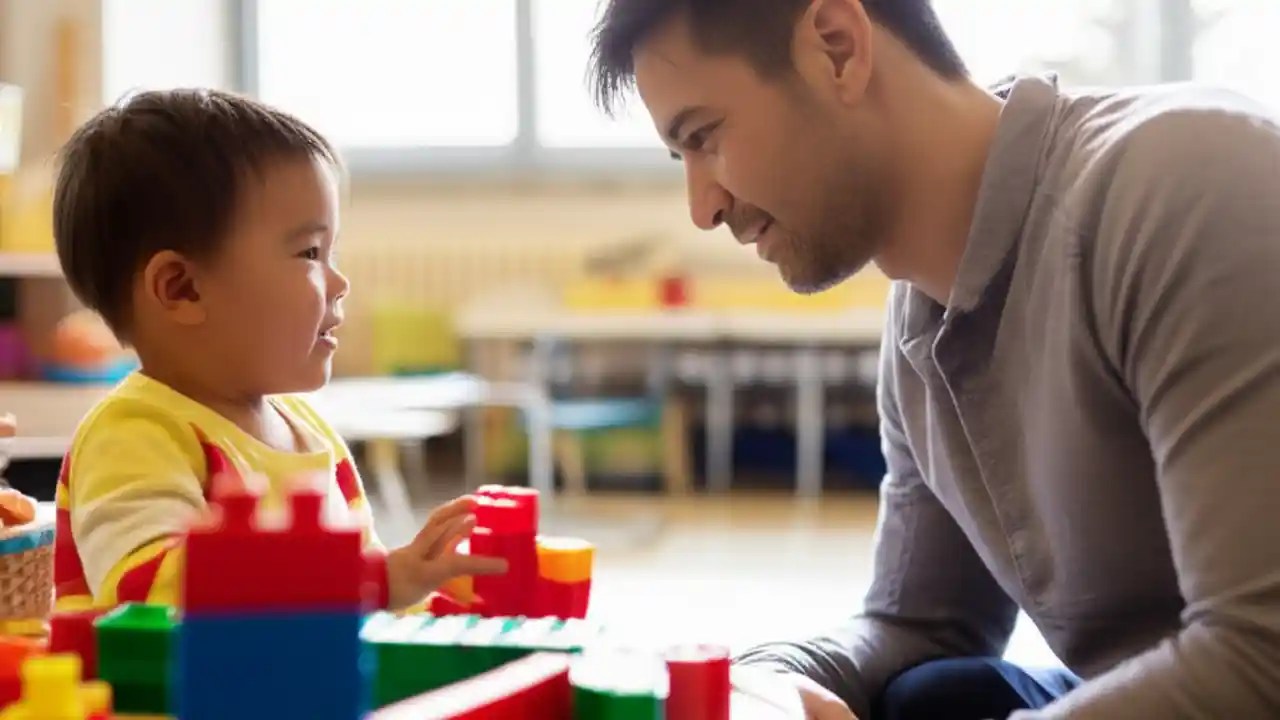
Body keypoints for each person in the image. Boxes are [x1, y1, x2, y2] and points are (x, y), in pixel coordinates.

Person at [590, 1, 1280, 718]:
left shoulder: (1190, 186)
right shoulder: (920, 322)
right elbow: (921, 626)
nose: (702, 208)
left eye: (704, 136)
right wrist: (766, 681)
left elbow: (1264, 654)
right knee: (928, 696)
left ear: (836, 48)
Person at [48, 89, 506, 611]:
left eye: (331, 253)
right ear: (182, 288)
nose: (340, 283)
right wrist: (376, 582)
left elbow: (357, 597)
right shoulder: (136, 435)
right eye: (309, 253)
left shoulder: (307, 431)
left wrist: (442, 608)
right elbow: (153, 594)